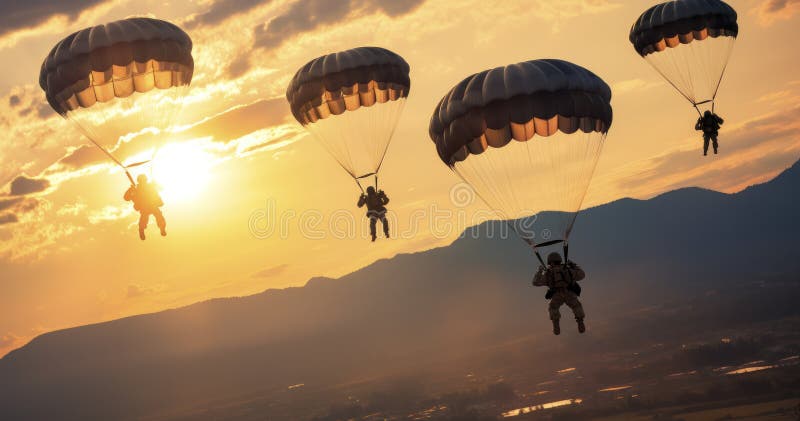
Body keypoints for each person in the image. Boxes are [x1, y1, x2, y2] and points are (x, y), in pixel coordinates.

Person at [533, 252, 586, 335]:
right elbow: (582, 275)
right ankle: (580, 321)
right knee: (576, 306)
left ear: (550, 262)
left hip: (556, 295)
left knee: (553, 308)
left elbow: (535, 282)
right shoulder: (568, 270)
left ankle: (556, 323)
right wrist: (573, 265)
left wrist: (539, 271)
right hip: (569, 293)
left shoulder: (548, 273)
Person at [124, 174, 166, 240]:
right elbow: (126, 198)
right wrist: (130, 190)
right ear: (139, 181)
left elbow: (161, 188)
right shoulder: (136, 188)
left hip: (152, 204)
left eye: (144, 180)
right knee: (145, 217)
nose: (143, 182)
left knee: (158, 215)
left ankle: (162, 228)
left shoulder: (151, 186)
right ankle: (142, 229)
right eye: (142, 180)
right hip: (145, 206)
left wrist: (156, 183)